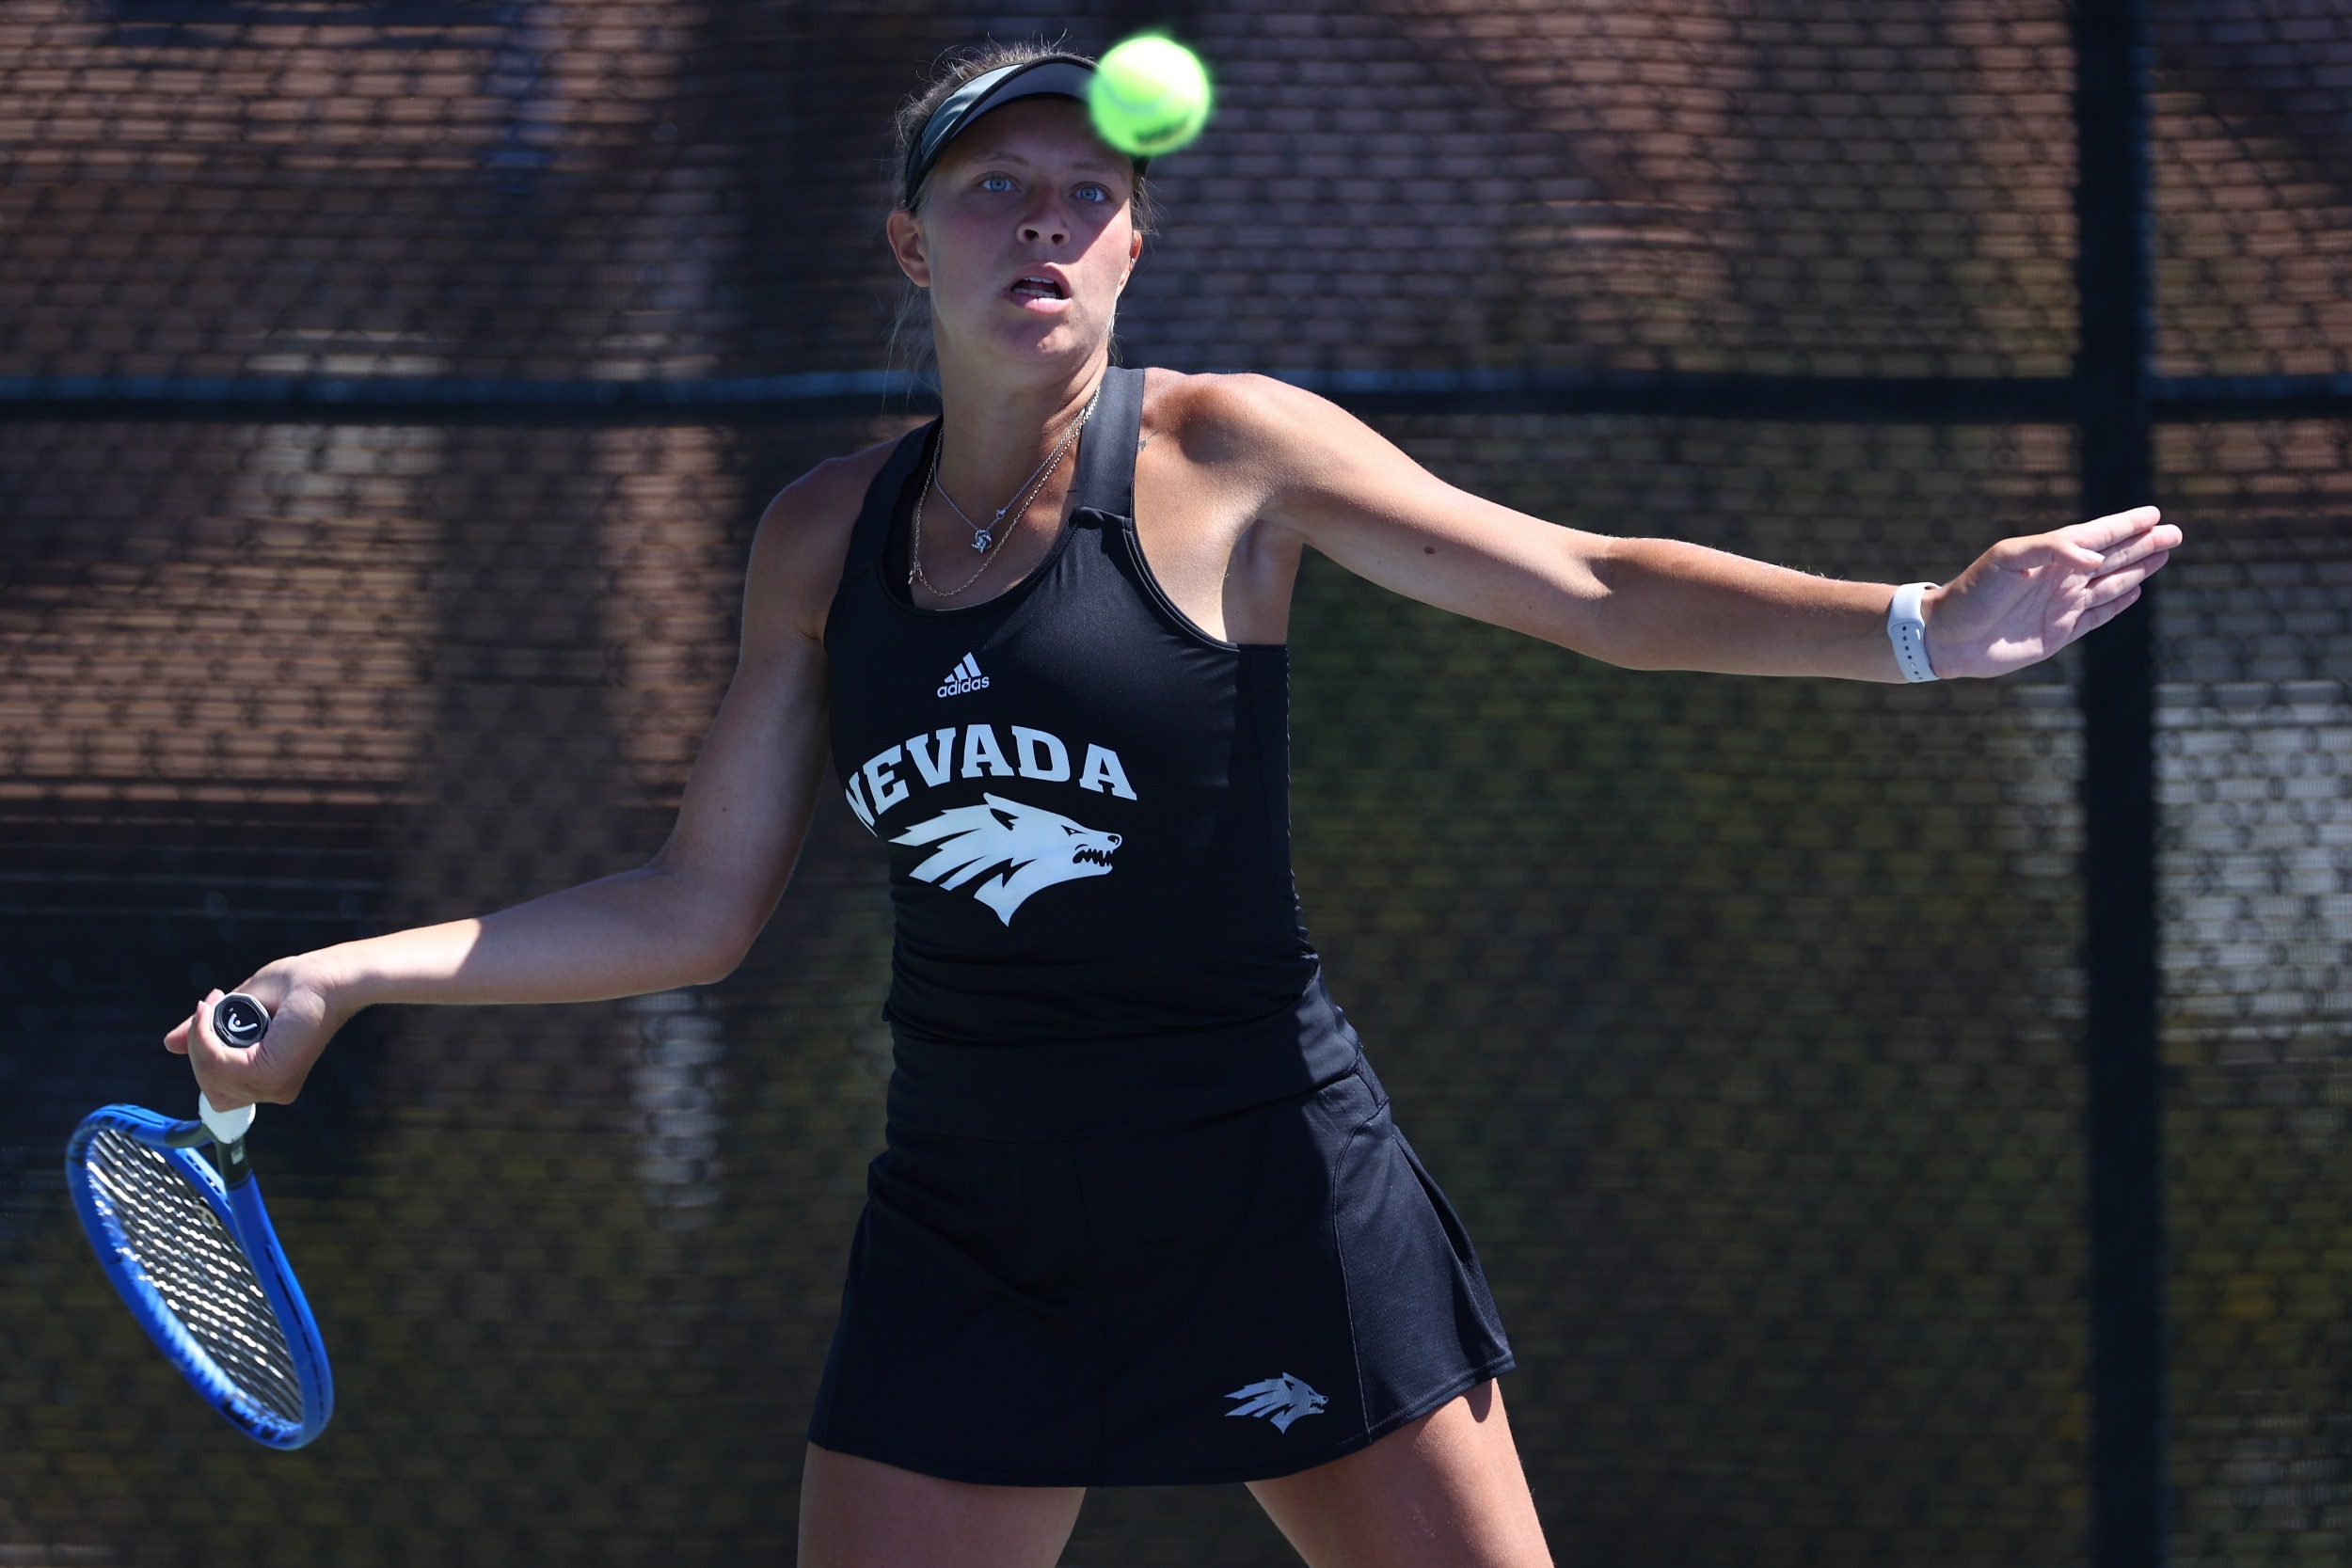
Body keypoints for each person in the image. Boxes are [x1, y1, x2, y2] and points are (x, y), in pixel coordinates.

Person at [167, 40, 2180, 1568]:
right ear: (912, 244)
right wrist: (346, 973)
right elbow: (695, 907)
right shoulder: (818, 541)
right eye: (990, 190)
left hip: (1266, 1190)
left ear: (1136, 242)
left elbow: (1586, 584)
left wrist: (1915, 626)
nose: (1039, 226)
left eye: (1085, 194)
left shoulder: (1232, 455)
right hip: (973, 1214)